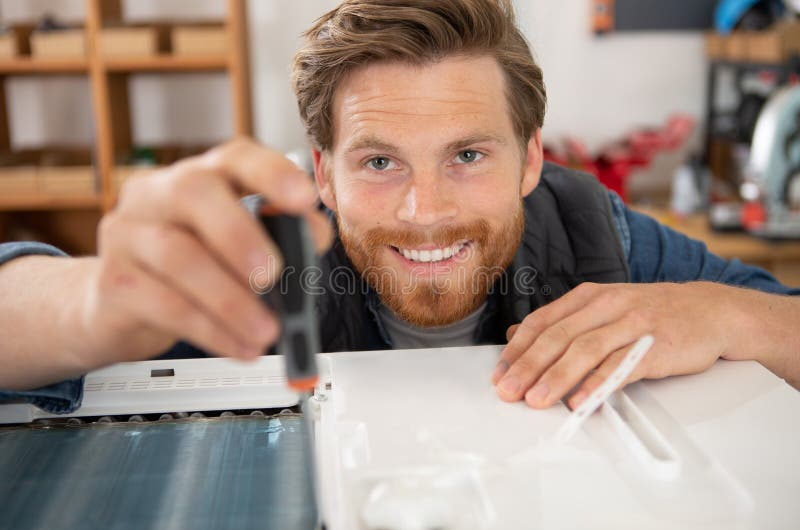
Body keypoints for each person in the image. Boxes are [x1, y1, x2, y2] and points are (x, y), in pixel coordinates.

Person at [0, 0, 798, 415]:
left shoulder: (597, 231)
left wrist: (726, 314)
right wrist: (91, 300)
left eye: (468, 154)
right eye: (379, 161)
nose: (424, 211)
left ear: (531, 157)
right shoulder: (251, 252)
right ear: (322, 173)